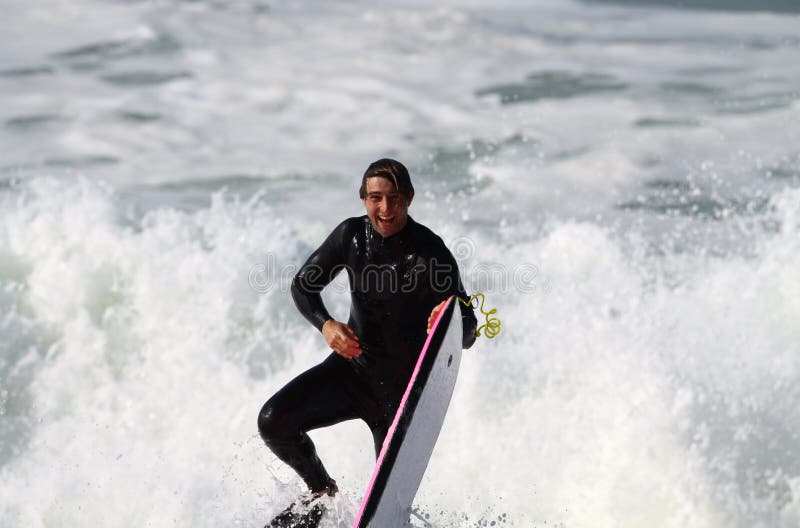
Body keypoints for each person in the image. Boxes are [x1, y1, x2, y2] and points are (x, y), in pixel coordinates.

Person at [258, 158, 477, 525]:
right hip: (353, 373)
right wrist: (326, 324)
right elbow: (303, 286)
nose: (385, 209)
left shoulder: (430, 253)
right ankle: (321, 493)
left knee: (384, 517)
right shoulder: (351, 237)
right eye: (376, 198)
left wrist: (450, 319)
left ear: (409, 199)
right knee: (274, 422)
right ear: (363, 199)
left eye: (394, 198)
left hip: (400, 395)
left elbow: (467, 327)